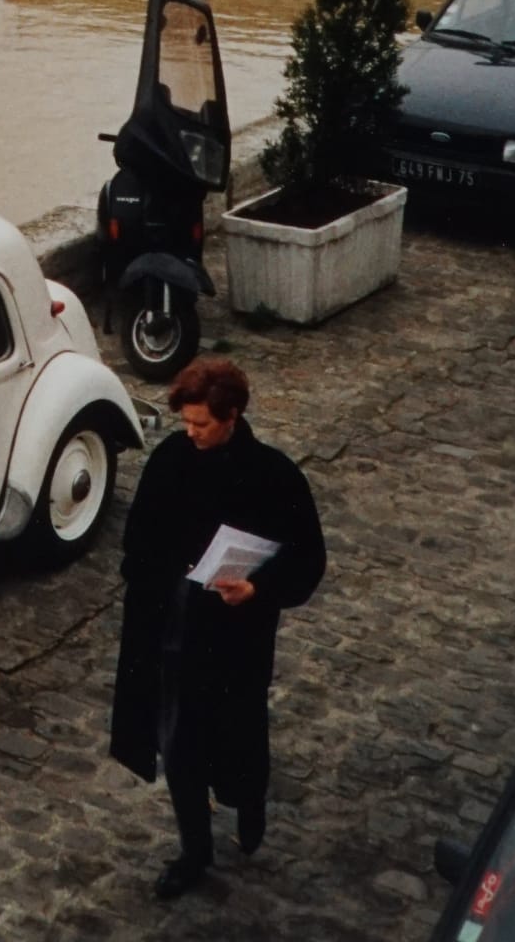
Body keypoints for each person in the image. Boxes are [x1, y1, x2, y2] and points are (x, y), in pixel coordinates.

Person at [109, 358, 325, 900]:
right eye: (186, 422)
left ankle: (248, 803)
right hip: (171, 633)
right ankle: (194, 852)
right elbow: (138, 539)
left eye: (201, 424)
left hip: (233, 642)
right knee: (178, 744)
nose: (191, 432)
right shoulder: (170, 460)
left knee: (238, 737)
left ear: (231, 418)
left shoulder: (273, 475)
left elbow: (306, 555)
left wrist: (258, 588)